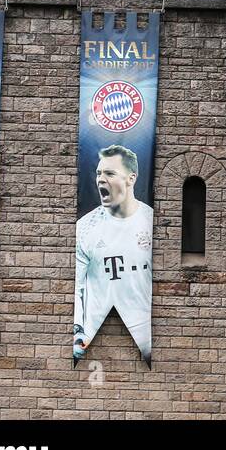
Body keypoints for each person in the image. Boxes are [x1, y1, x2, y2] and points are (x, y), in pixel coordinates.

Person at [74, 145, 154, 361]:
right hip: (93, 336)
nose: (101, 179)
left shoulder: (151, 221)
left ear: (131, 178)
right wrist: (77, 328)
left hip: (144, 333)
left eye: (109, 173)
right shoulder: (85, 226)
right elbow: (77, 285)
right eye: (99, 173)